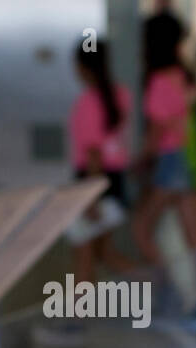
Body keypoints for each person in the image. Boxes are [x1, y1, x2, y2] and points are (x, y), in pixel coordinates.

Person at [132, 11, 196, 318]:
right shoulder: (185, 76)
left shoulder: (158, 80)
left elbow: (159, 130)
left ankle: (171, 292)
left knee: (141, 229)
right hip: (191, 163)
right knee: (195, 239)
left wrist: (140, 159)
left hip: (170, 163)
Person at [68, 41, 136, 281]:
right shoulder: (121, 95)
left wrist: (90, 199)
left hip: (93, 184)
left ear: (83, 67)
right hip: (116, 184)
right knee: (105, 253)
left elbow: (94, 155)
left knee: (84, 254)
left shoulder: (87, 103)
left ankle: (77, 317)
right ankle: (158, 286)